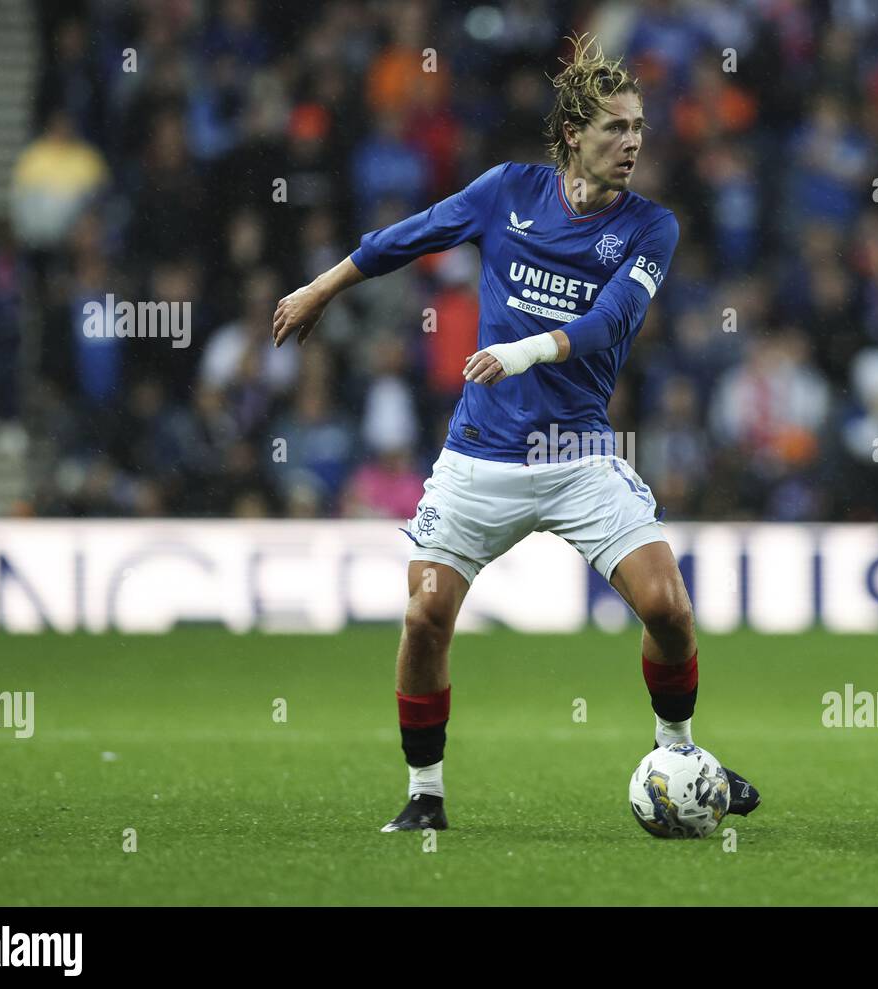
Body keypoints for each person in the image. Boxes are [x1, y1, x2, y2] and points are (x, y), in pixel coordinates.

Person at [272, 34, 760, 832]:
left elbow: (611, 324)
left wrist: (525, 348)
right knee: (427, 614)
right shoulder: (507, 191)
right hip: (479, 458)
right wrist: (322, 287)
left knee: (668, 608)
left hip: (578, 456)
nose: (632, 141)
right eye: (614, 127)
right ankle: (425, 796)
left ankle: (679, 752)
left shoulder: (651, 227)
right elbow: (411, 234)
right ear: (573, 134)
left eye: (638, 127)